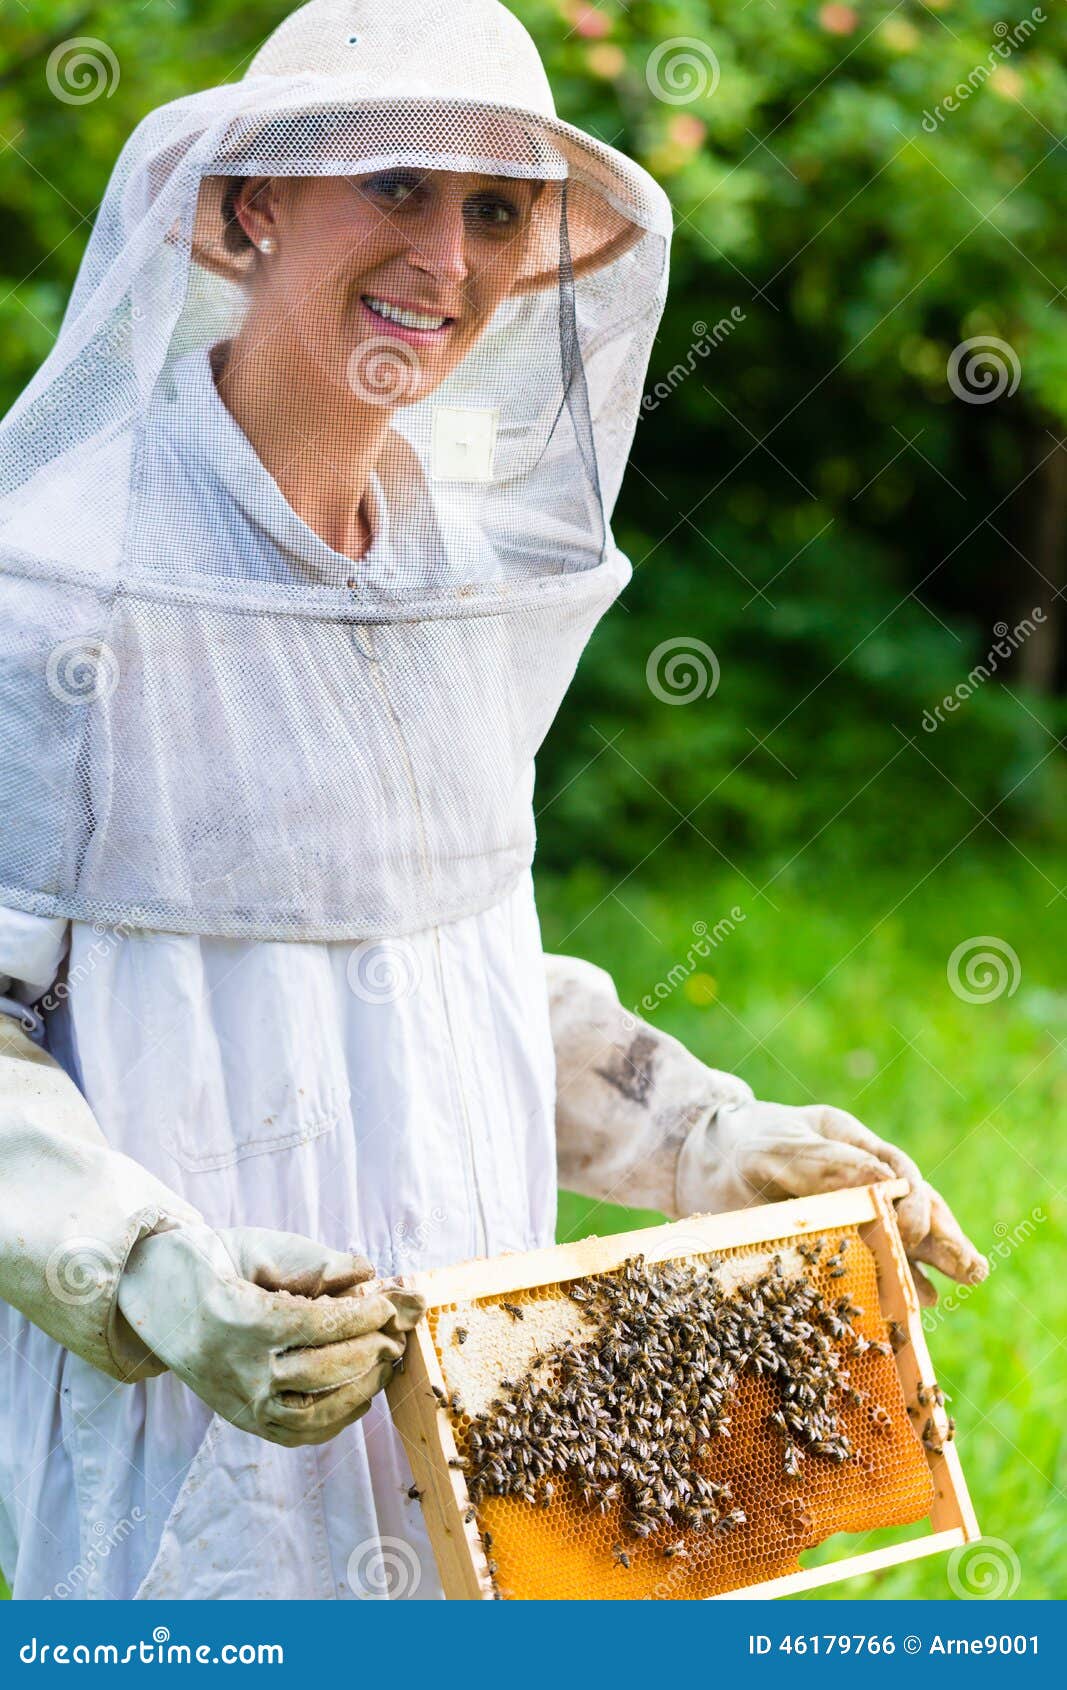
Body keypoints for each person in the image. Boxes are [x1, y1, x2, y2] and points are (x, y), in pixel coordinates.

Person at [0, 0, 985, 1600]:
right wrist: (151, 1270)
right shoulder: (51, 586)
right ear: (253, 205)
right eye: (394, 185)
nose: (445, 259)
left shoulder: (452, 566)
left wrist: (702, 1135)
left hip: (492, 1430)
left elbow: (445, 969)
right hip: (187, 1457)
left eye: (497, 209)